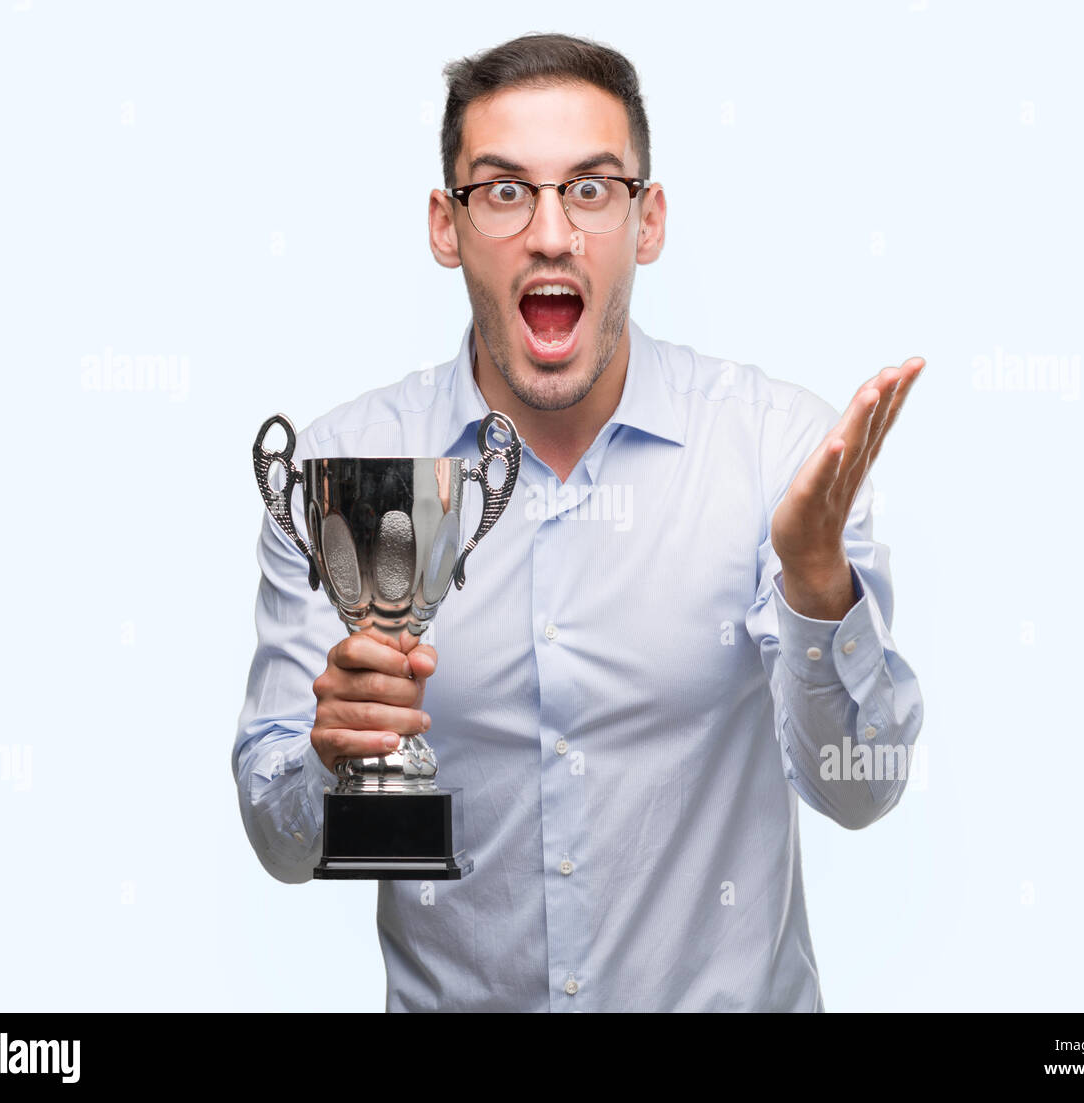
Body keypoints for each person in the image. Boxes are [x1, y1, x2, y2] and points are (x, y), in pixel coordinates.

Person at [233, 32, 925, 1012]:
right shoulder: (349, 475)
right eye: (505, 190)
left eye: (591, 188)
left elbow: (861, 790)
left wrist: (818, 584)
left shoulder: (777, 453)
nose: (551, 233)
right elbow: (287, 845)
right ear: (446, 225)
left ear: (647, 222)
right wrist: (330, 758)